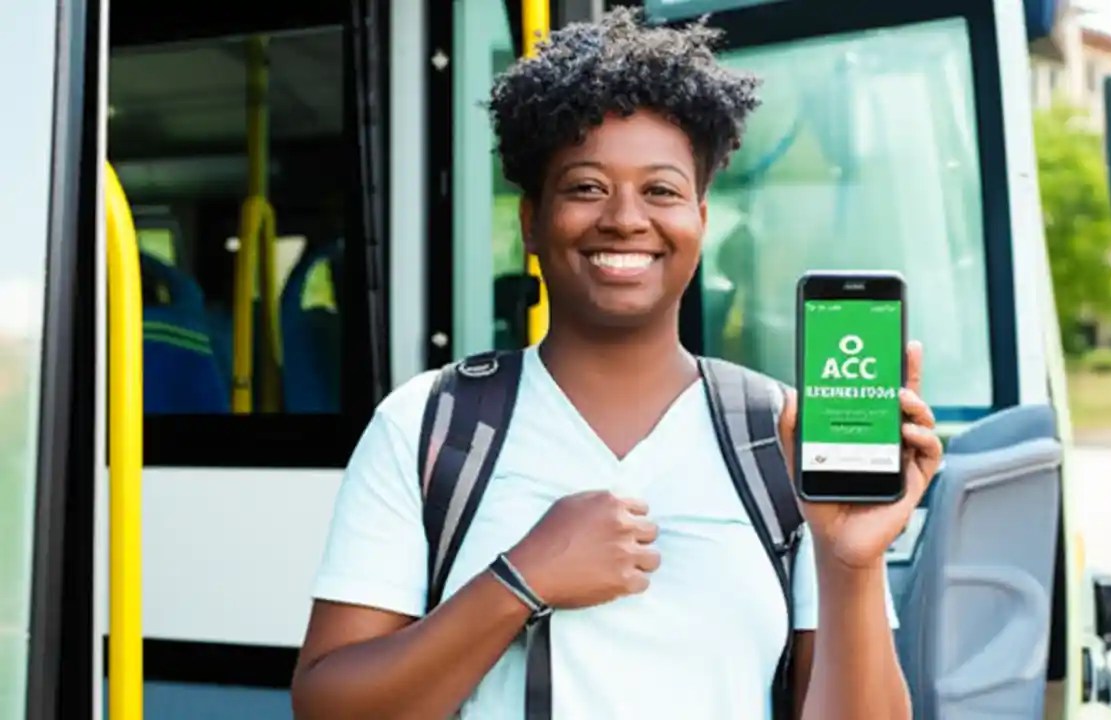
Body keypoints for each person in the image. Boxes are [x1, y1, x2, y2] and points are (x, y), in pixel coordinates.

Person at [290, 8, 942, 719]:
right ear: (531, 223)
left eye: (660, 190)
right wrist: (520, 580)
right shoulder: (429, 425)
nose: (625, 218)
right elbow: (330, 708)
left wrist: (850, 562)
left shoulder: (783, 435)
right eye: (586, 187)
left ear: (700, 218)